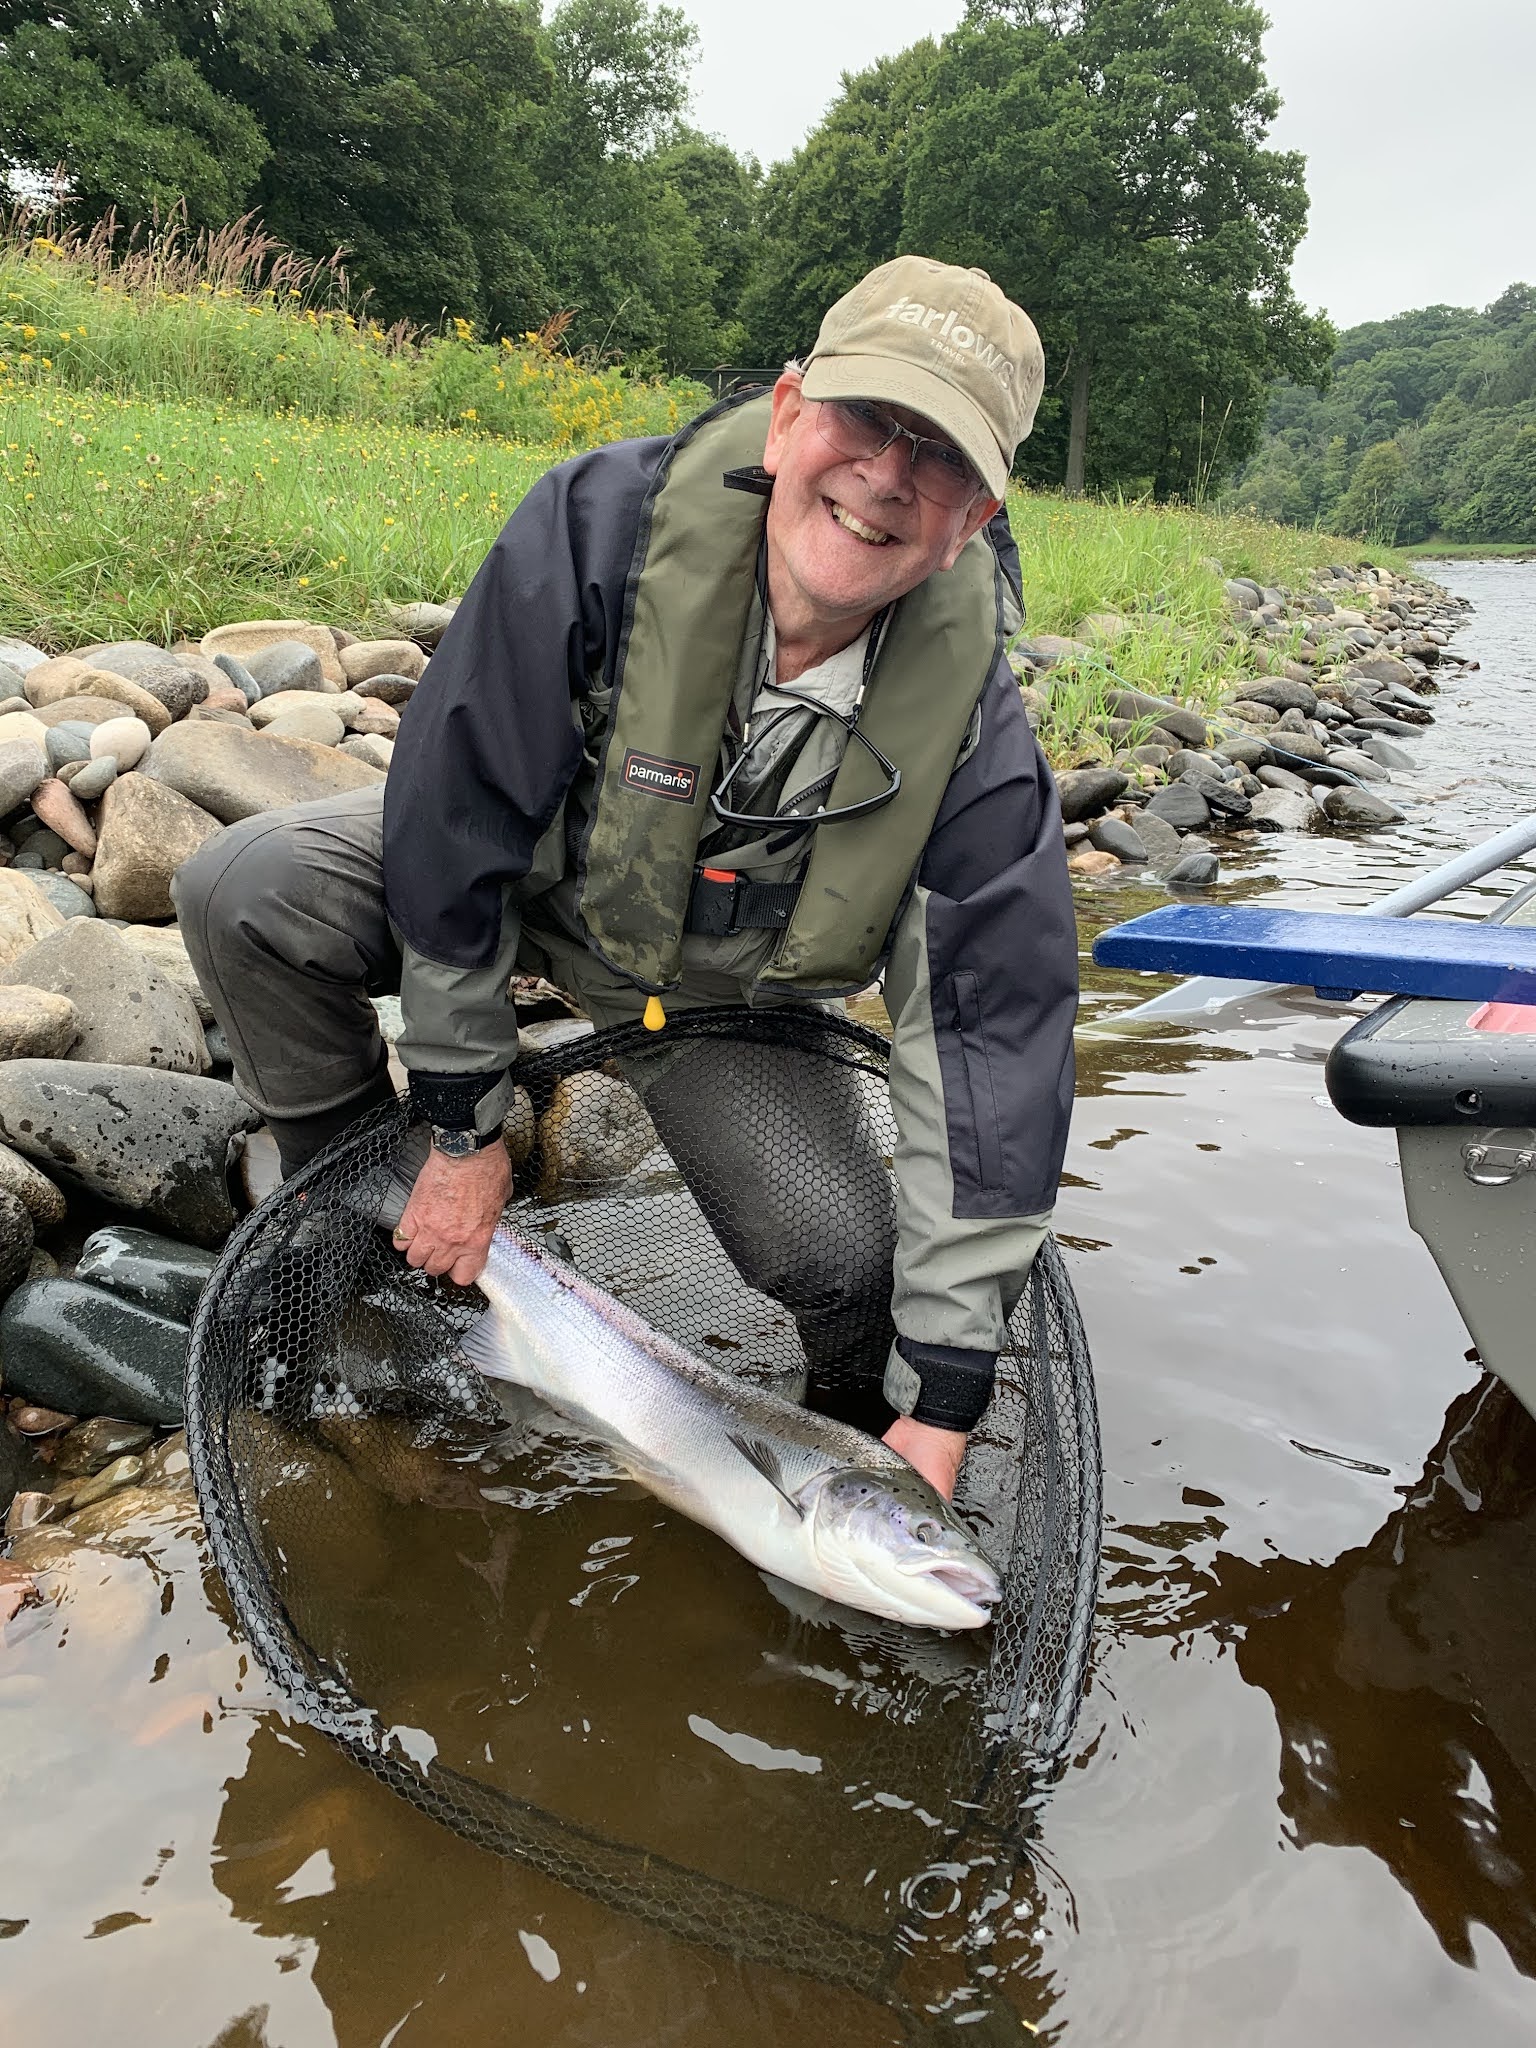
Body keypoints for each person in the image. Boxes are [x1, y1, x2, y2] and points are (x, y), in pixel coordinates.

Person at [176, 255, 1078, 1500]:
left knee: (850, 1261)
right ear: (788, 411)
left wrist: (949, 1395)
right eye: (870, 420)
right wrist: (462, 1127)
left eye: (941, 458)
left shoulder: (973, 732)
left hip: (722, 993)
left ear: (975, 517)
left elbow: (989, 1041)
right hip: (526, 892)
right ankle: (367, 1208)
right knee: (247, 886)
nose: (887, 475)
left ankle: (838, 1451)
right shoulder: (598, 529)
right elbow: (455, 808)